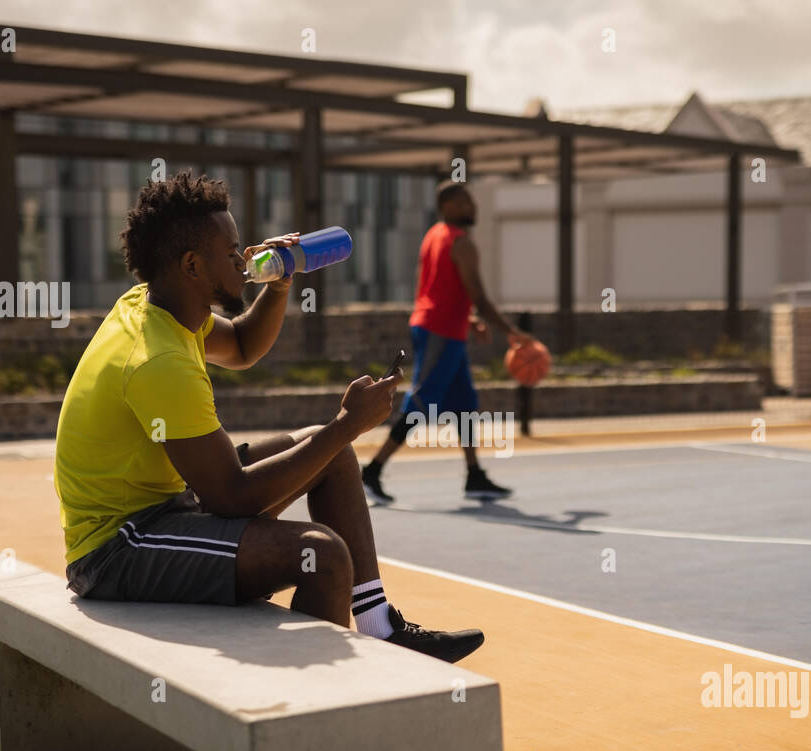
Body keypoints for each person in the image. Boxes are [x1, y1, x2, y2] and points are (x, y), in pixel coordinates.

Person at [53, 170, 484, 663]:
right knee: (321, 555)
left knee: (331, 453)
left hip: (166, 506)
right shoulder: (156, 359)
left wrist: (278, 288)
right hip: (118, 548)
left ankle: (378, 623)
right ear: (193, 265)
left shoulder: (160, 306)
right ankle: (311, 719)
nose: (244, 258)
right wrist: (348, 423)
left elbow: (239, 345)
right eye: (232, 250)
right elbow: (233, 496)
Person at [361, 181, 534, 505]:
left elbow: (434, 288)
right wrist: (512, 331)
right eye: (468, 202)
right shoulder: (461, 243)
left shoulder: (434, 235)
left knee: (466, 404)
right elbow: (479, 296)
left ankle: (474, 476)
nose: (475, 207)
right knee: (422, 403)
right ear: (450, 205)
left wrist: (467, 321)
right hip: (439, 333)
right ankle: (372, 471)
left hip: (447, 331)